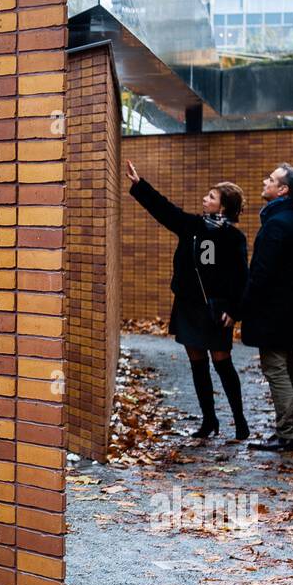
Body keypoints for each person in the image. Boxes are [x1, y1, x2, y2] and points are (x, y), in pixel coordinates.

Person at [126, 160, 249, 440]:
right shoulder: (192, 226)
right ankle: (209, 421)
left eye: (211, 197)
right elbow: (165, 210)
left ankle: (240, 422)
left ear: (224, 206)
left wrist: (233, 309)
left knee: (222, 363)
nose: (205, 199)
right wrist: (140, 186)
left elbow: (242, 277)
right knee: (197, 364)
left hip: (217, 309)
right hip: (188, 306)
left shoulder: (234, 237)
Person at [225, 163, 293, 451]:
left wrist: (239, 310)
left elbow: (260, 275)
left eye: (271, 179)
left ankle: (287, 434)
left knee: (276, 369)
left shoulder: (276, 225)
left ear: (283, 190)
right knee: (290, 369)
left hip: (272, 310)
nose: (265, 181)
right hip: (290, 307)